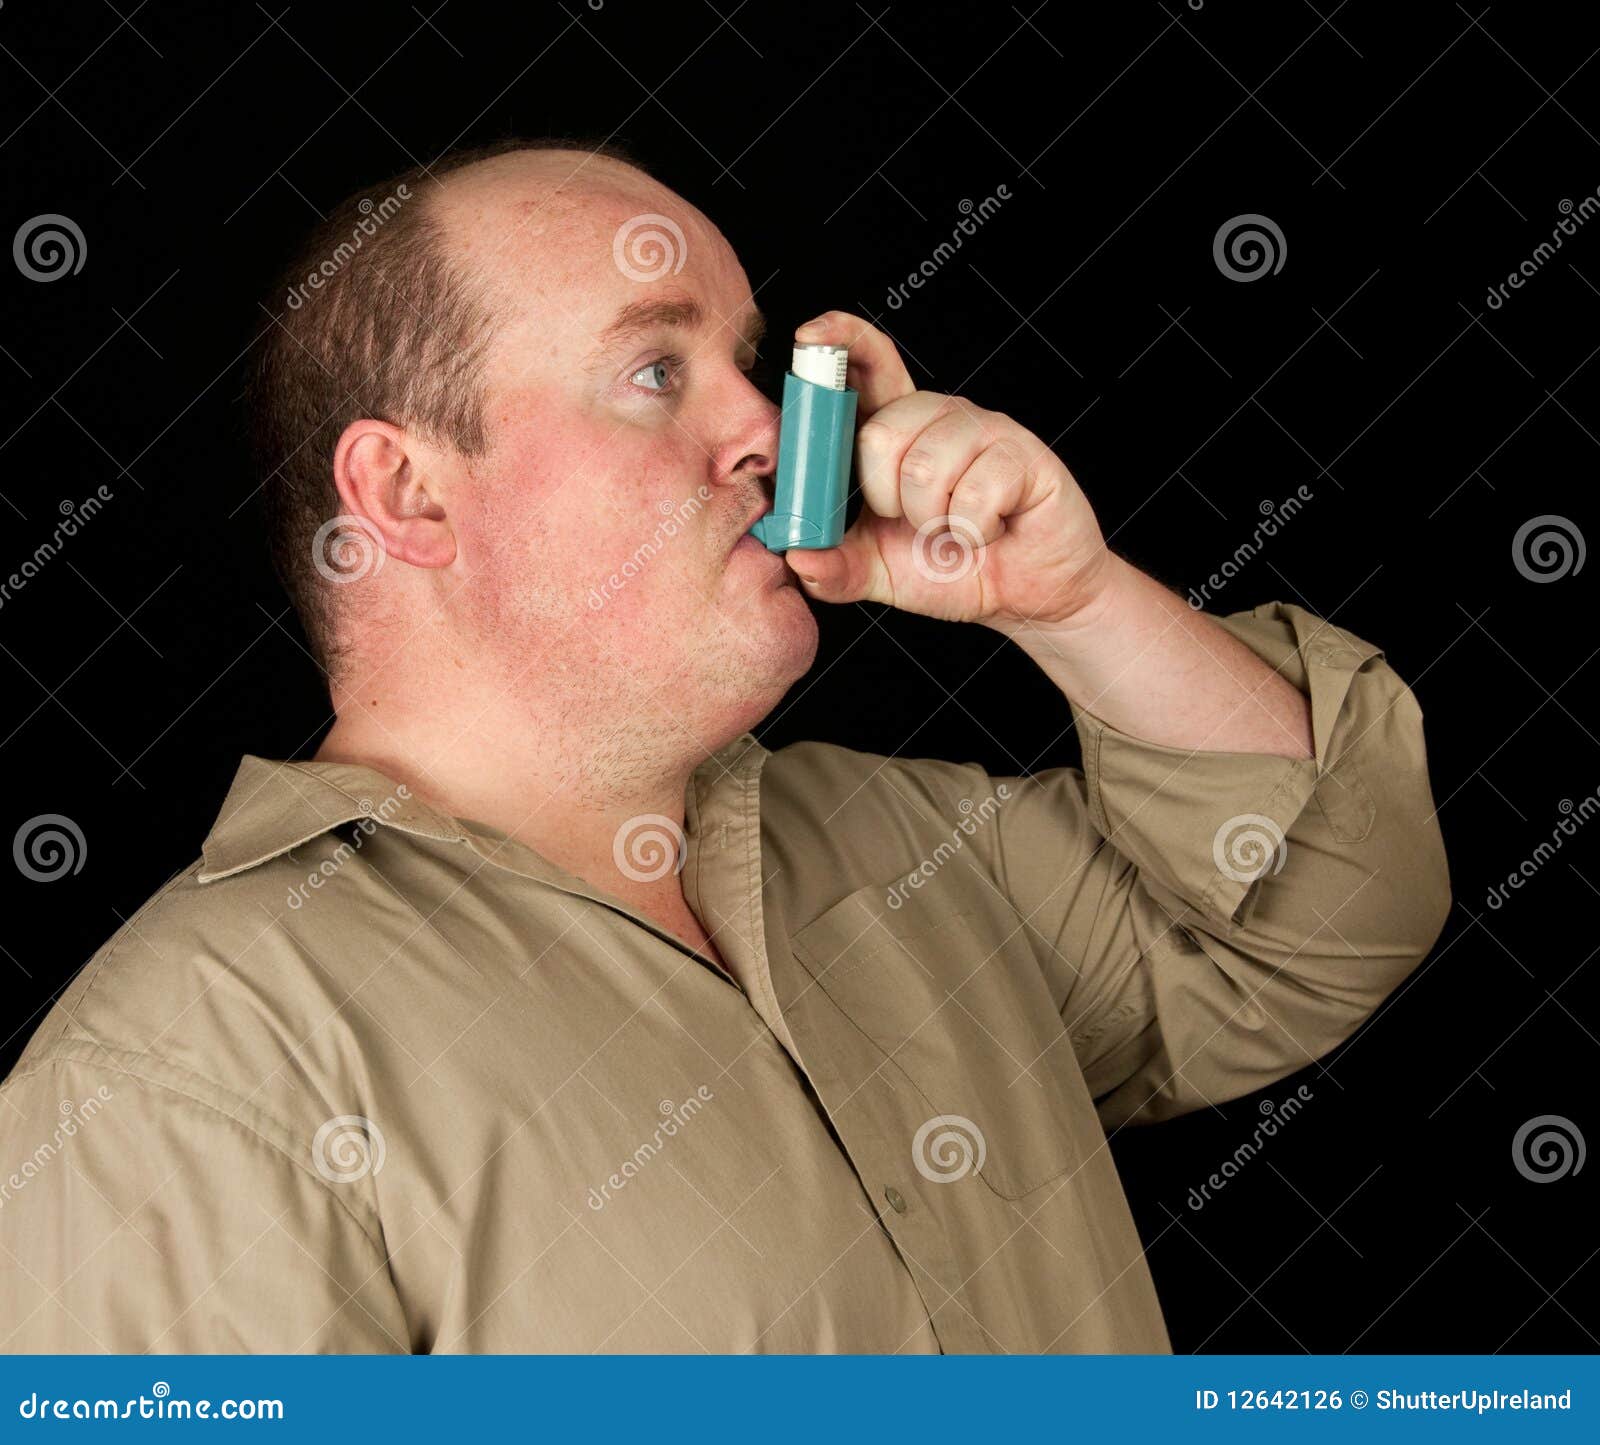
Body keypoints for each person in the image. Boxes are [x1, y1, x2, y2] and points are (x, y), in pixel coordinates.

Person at [0, 139, 1449, 1353]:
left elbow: (1326, 922)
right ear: (407, 494)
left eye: (750, 368)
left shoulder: (908, 854)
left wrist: (1073, 601)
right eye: (654, 372)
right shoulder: (180, 1071)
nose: (764, 426)